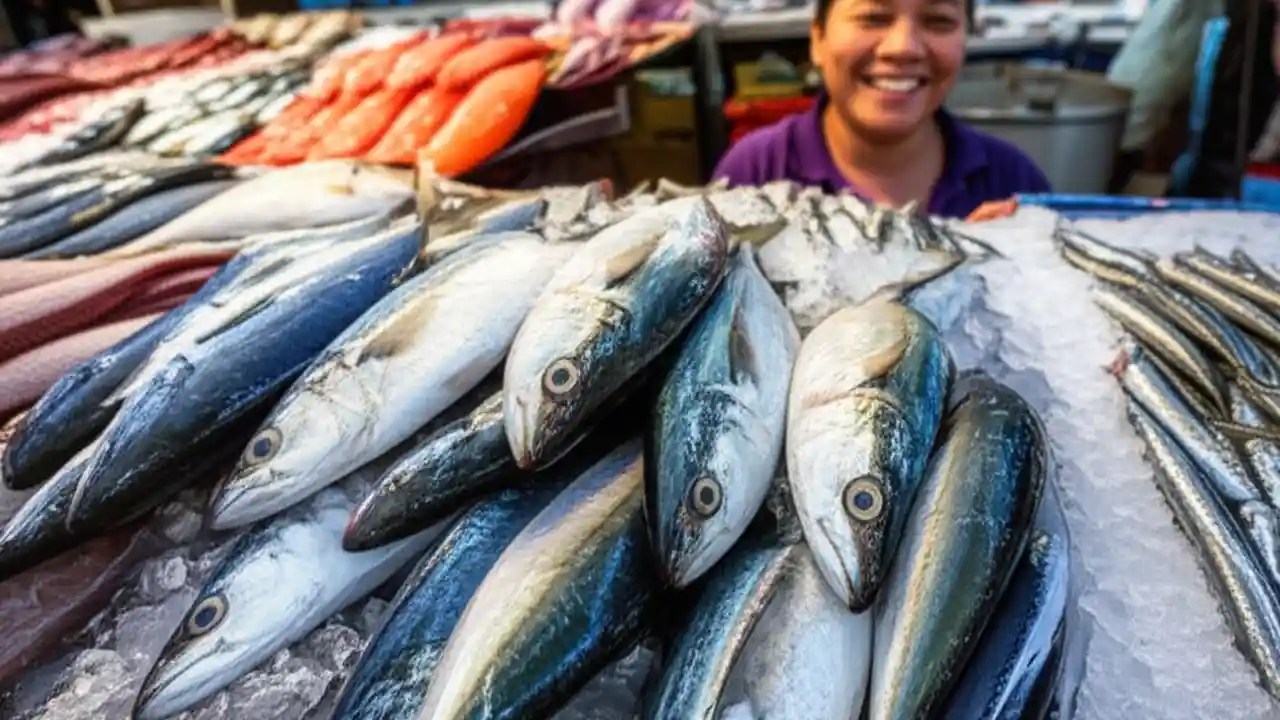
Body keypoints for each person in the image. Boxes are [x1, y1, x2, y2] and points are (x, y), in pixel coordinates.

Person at [713, 0, 1051, 221]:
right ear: (818, 39)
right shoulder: (754, 171)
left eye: (938, 21)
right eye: (872, 17)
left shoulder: (1013, 183)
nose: (903, 47)